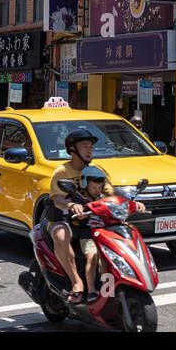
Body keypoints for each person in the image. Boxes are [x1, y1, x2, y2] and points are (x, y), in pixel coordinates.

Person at [44, 127, 106, 304]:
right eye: (85, 146)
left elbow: (110, 193)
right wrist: (71, 205)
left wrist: (129, 203)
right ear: (72, 149)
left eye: (91, 147)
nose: (89, 150)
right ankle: (76, 282)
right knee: (61, 234)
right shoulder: (62, 172)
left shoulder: (97, 170)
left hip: (90, 222)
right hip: (64, 220)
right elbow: (57, 200)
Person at [68, 164, 146, 297]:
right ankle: (92, 290)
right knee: (92, 258)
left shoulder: (103, 199)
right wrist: (79, 211)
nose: (96, 190)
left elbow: (119, 203)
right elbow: (74, 209)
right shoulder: (80, 200)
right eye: (93, 187)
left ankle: (108, 290)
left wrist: (134, 205)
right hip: (88, 235)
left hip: (105, 235)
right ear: (85, 185)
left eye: (99, 188)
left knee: (112, 259)